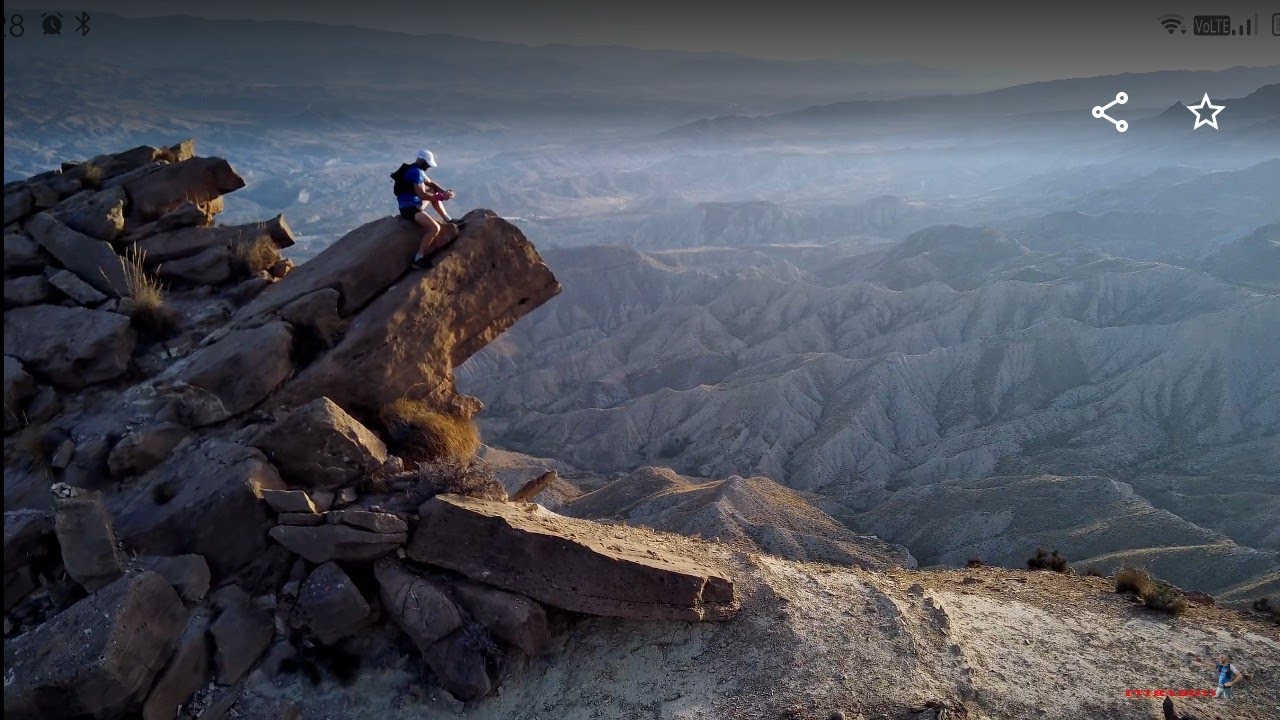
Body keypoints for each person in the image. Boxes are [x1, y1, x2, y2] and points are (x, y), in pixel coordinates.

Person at [392, 149, 458, 269]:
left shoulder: (416, 169)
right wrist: (442, 197)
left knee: (433, 191)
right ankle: (418, 259)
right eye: (428, 163)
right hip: (410, 209)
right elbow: (422, 194)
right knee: (435, 228)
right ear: (422, 160)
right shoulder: (415, 172)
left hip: (412, 204)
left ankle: (448, 219)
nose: (429, 166)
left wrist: (443, 192)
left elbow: (430, 183)